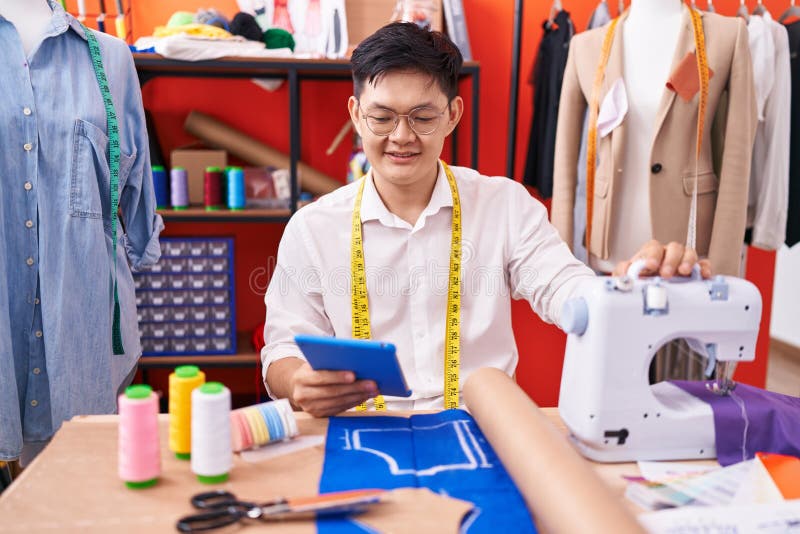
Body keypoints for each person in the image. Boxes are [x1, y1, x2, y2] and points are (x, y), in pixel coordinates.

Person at [261, 22, 710, 417]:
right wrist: (299, 383)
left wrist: (628, 285)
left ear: (453, 115)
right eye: (381, 117)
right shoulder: (313, 228)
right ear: (357, 116)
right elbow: (281, 349)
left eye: (422, 117)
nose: (401, 136)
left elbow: (565, 289)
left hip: (484, 427)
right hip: (360, 428)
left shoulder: (504, 206)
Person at [0, 0, 163, 465]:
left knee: (76, 492)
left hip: (83, 327)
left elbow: (135, 194)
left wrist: (139, 237)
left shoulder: (110, 58)